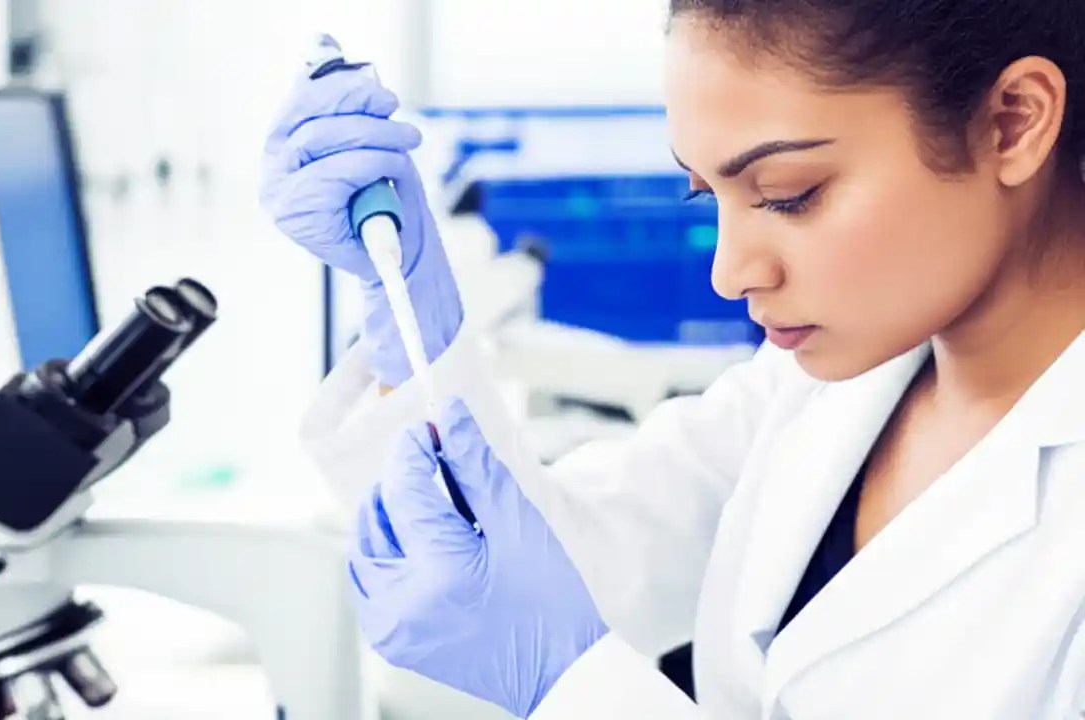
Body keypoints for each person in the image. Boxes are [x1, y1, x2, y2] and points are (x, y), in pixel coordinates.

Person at [260, 1, 1085, 717]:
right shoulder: (816, 392)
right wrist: (411, 313)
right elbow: (543, 571)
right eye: (706, 194)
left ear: (1012, 121)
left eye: (788, 194)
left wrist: (565, 682)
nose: (729, 273)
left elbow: (548, 639)